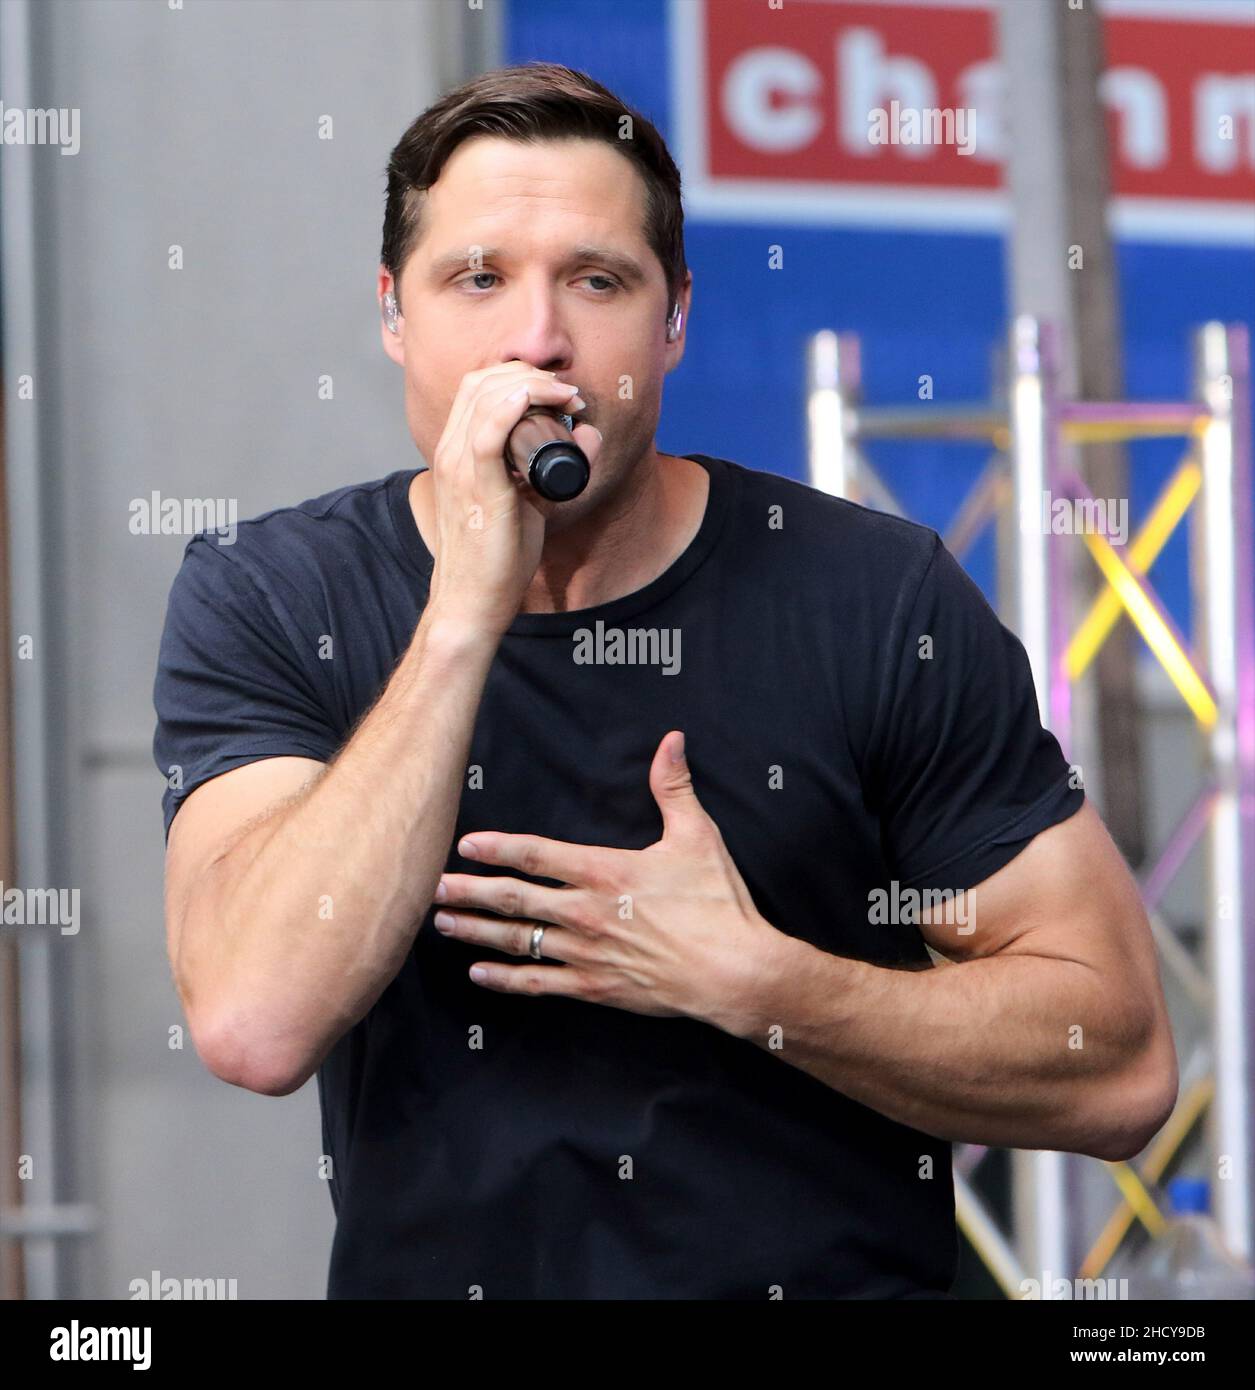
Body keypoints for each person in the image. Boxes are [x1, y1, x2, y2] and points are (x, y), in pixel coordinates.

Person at [152, 62, 1177, 1300]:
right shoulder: (275, 595)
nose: (537, 337)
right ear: (391, 313)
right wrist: (468, 610)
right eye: (477, 278)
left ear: (675, 319)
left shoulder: (868, 596)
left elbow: (1116, 1066)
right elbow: (255, 1022)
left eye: (597, 279)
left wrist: (764, 984)